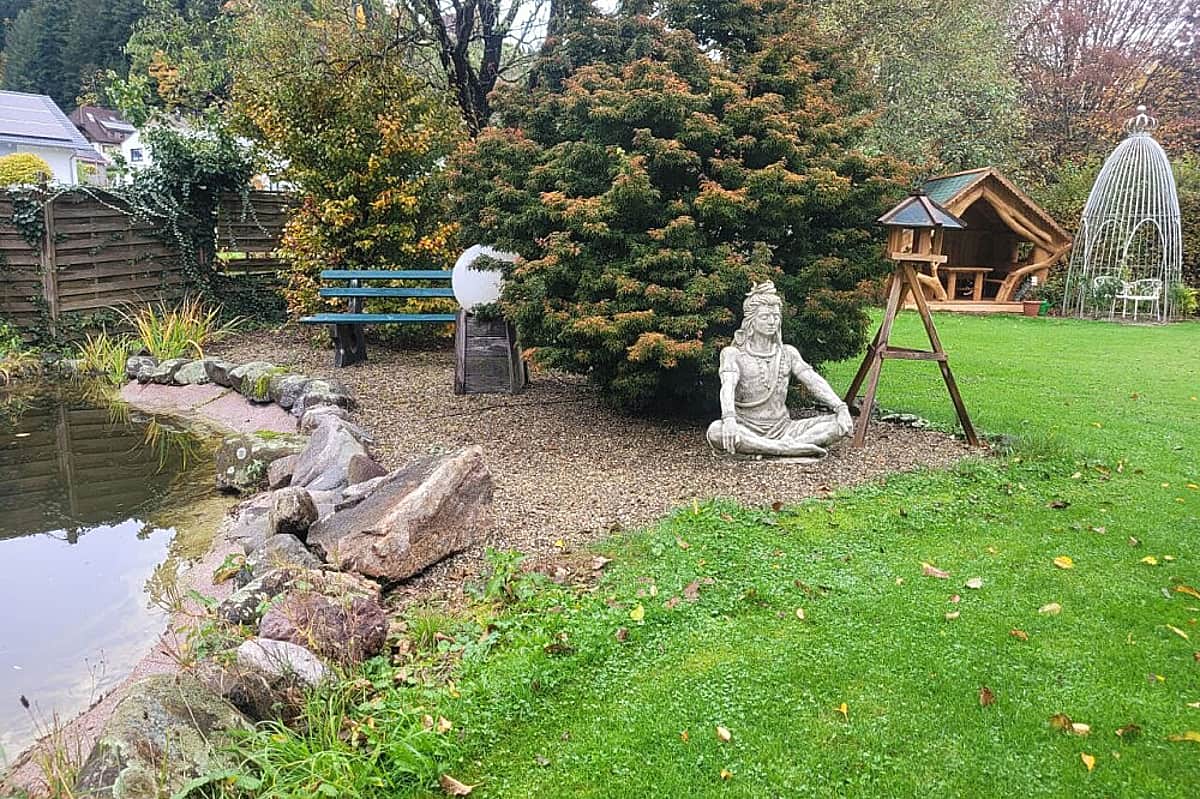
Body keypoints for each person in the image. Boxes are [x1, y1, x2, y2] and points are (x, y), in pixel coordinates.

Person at [706, 282, 853, 459]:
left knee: (839, 424)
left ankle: (771, 448)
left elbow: (813, 381)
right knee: (716, 431)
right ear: (751, 321)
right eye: (765, 316)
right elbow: (727, 387)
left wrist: (841, 407)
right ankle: (783, 449)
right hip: (746, 427)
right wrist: (729, 419)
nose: (772, 321)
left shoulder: (787, 353)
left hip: (785, 429)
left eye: (775, 316)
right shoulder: (733, 354)